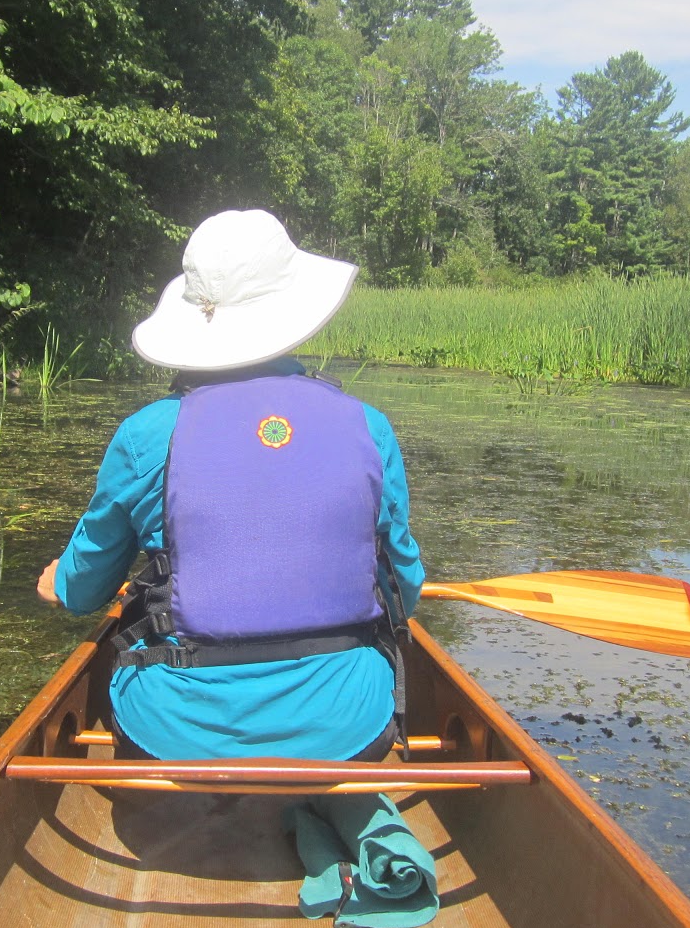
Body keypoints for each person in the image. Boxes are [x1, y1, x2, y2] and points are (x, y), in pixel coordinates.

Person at [36, 209, 424, 764]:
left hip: (176, 729)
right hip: (345, 721)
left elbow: (86, 586)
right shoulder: (370, 426)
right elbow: (401, 590)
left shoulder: (146, 434)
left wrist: (61, 585)